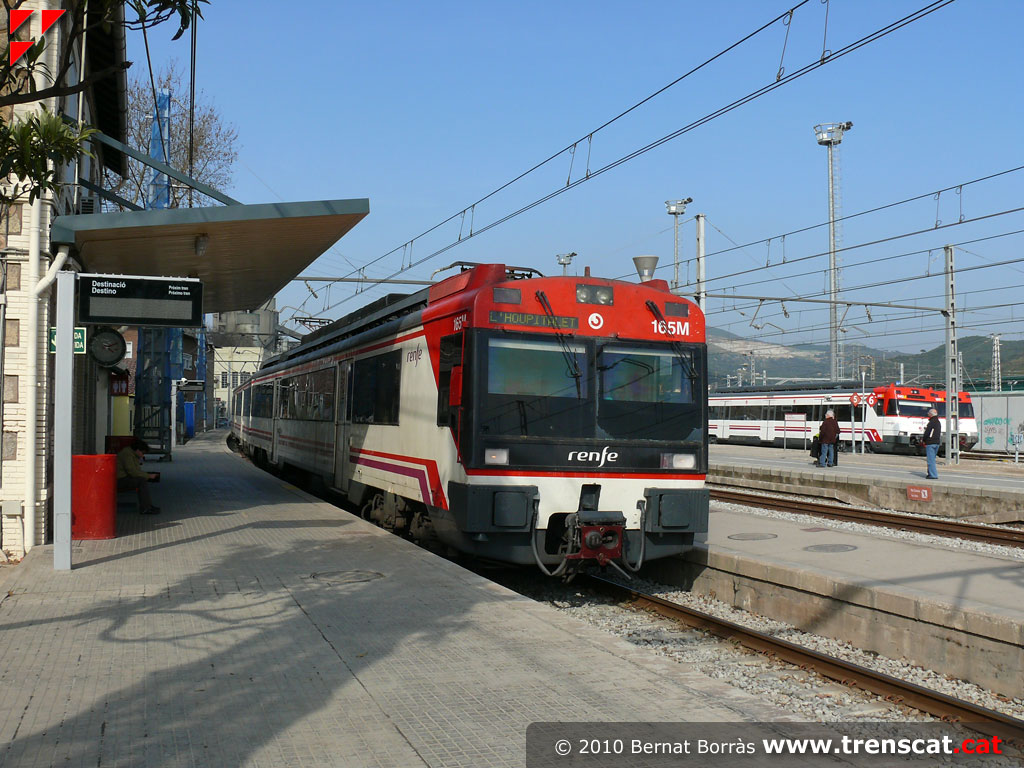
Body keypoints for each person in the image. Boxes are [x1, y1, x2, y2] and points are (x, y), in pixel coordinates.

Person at [116, 439, 160, 514]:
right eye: (143, 453)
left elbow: (135, 471)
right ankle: (146, 508)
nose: (143, 455)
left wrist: (147, 475)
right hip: (119, 480)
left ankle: (147, 506)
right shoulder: (127, 455)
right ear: (138, 450)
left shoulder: (131, 454)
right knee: (141, 481)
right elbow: (132, 471)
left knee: (142, 480)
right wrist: (148, 476)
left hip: (122, 478)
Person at [923, 408, 941, 479]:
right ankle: (930, 473)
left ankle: (933, 475)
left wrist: (924, 440)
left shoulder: (931, 423)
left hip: (930, 443)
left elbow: (927, 433)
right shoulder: (938, 422)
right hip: (937, 442)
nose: (928, 415)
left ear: (930, 414)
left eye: (928, 414)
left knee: (930, 460)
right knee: (932, 459)